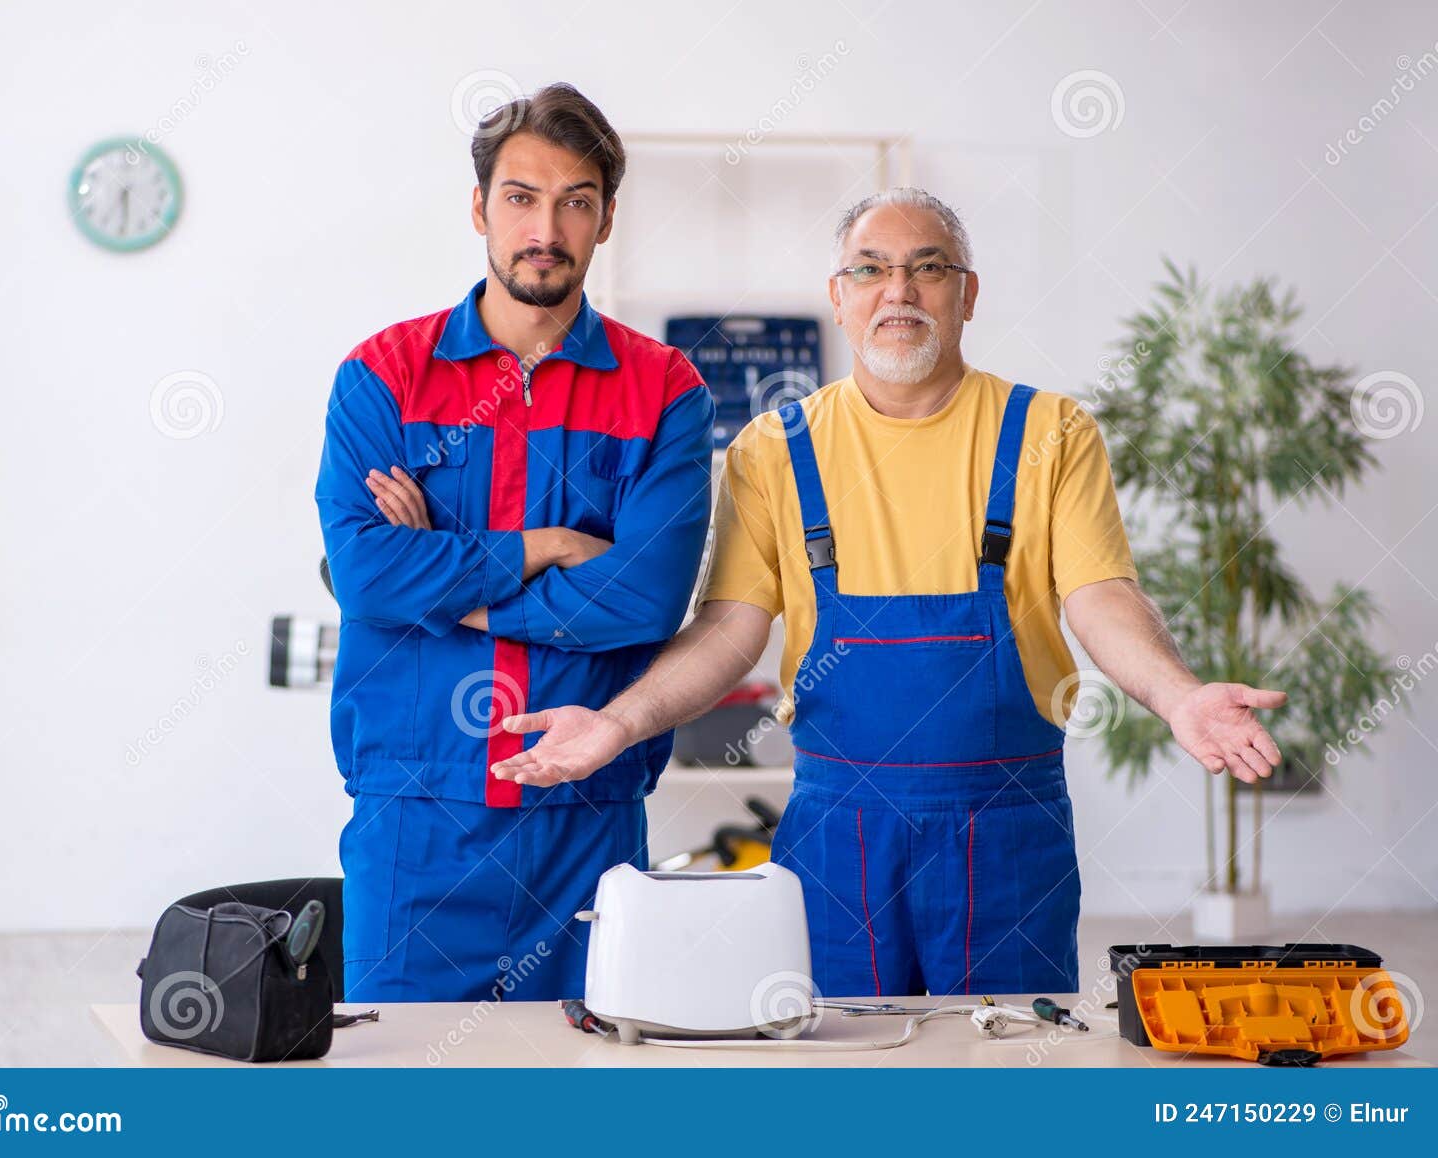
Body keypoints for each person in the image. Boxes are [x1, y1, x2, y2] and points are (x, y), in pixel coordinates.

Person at [490, 187, 1286, 998]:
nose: (898, 290)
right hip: (837, 834)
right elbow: (729, 628)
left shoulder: (1051, 433)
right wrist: (618, 723)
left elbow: (1101, 596)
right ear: (838, 297)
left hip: (1008, 830)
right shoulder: (773, 450)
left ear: (968, 294)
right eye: (870, 269)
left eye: (928, 268)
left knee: (1010, 1053)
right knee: (841, 1054)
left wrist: (1180, 696)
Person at [314, 83, 714, 1001]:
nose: (547, 228)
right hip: (416, 815)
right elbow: (366, 574)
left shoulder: (665, 390)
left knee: (589, 1074)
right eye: (522, 198)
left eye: (576, 202)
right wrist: (542, 545)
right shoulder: (383, 374)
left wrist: (448, 586)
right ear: (479, 208)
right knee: (400, 1075)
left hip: (588, 813)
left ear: (606, 219)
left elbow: (646, 598)